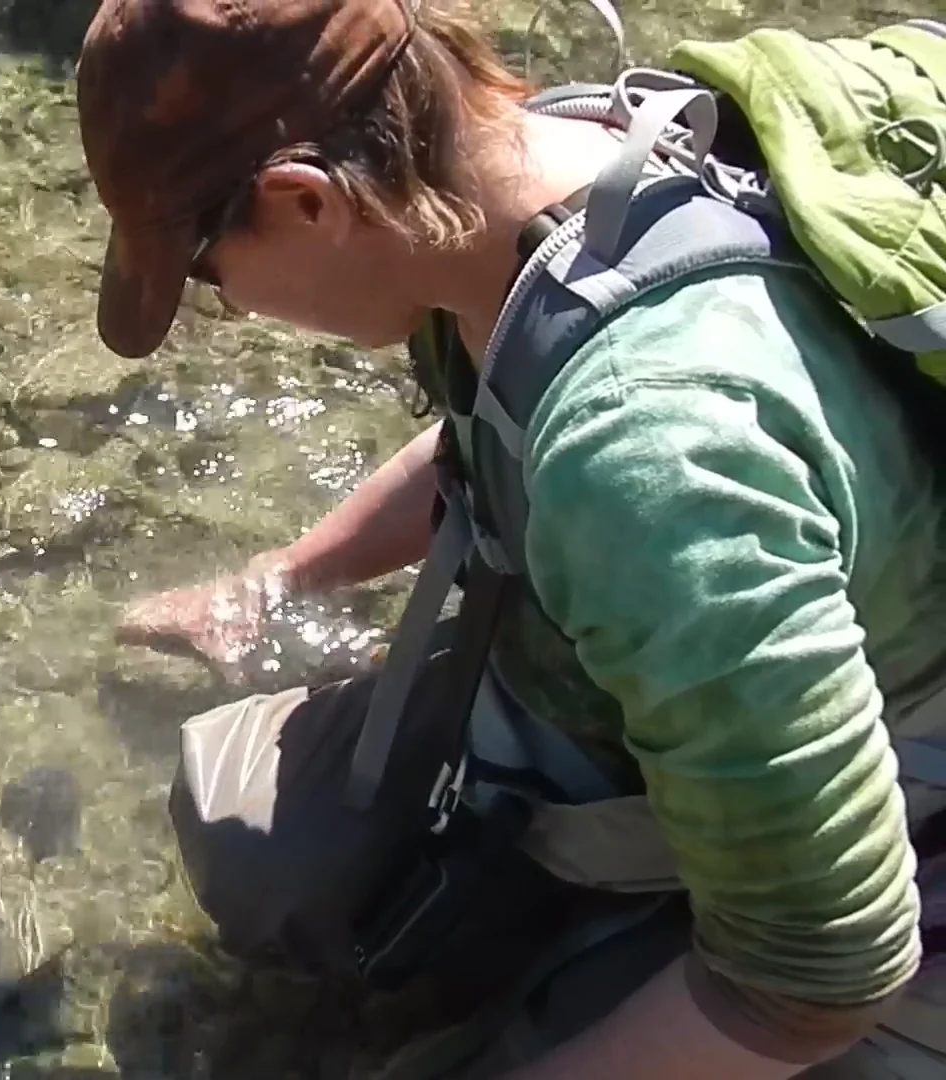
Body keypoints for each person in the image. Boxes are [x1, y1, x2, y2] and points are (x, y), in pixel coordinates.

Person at [73, 0, 946, 1078]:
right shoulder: (557, 178)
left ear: (306, 202)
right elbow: (493, 429)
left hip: (895, 851)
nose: (234, 312)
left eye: (207, 275)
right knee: (262, 840)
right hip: (707, 681)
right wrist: (279, 576)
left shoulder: (651, 460)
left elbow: (816, 975)